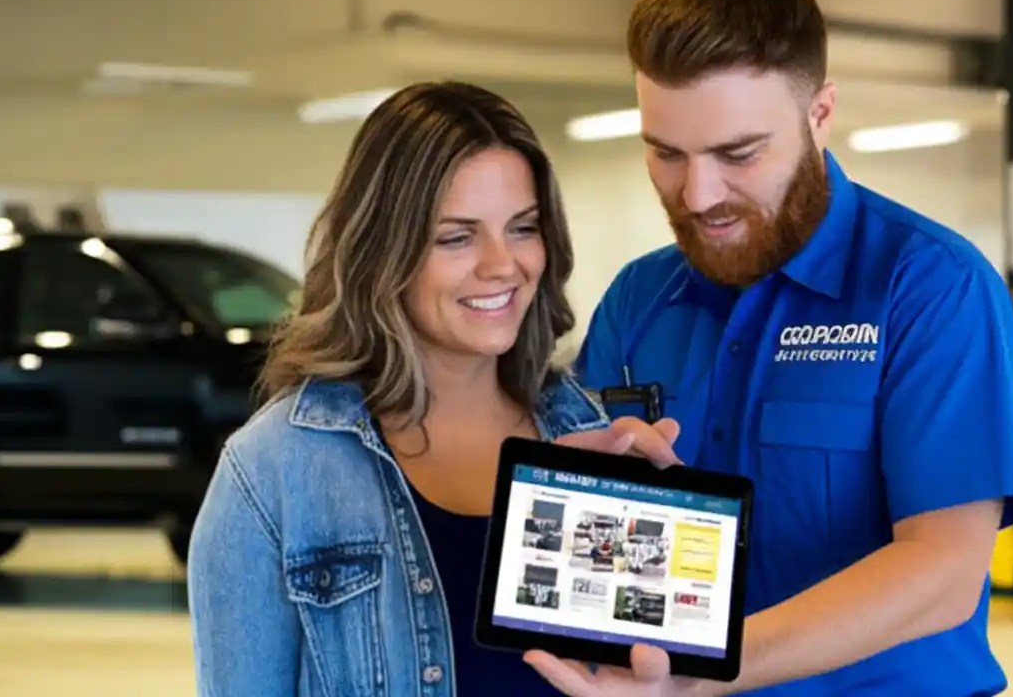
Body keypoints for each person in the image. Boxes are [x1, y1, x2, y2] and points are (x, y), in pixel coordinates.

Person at [524, 0, 1013, 695]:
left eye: (738, 154)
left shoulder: (929, 289)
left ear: (820, 113)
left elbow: (943, 572)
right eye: (666, 154)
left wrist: (707, 671)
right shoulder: (641, 300)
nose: (697, 196)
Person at [186, 81, 679, 697]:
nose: (504, 265)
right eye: (457, 237)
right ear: (382, 253)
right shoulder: (273, 472)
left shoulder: (594, 439)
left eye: (523, 228)